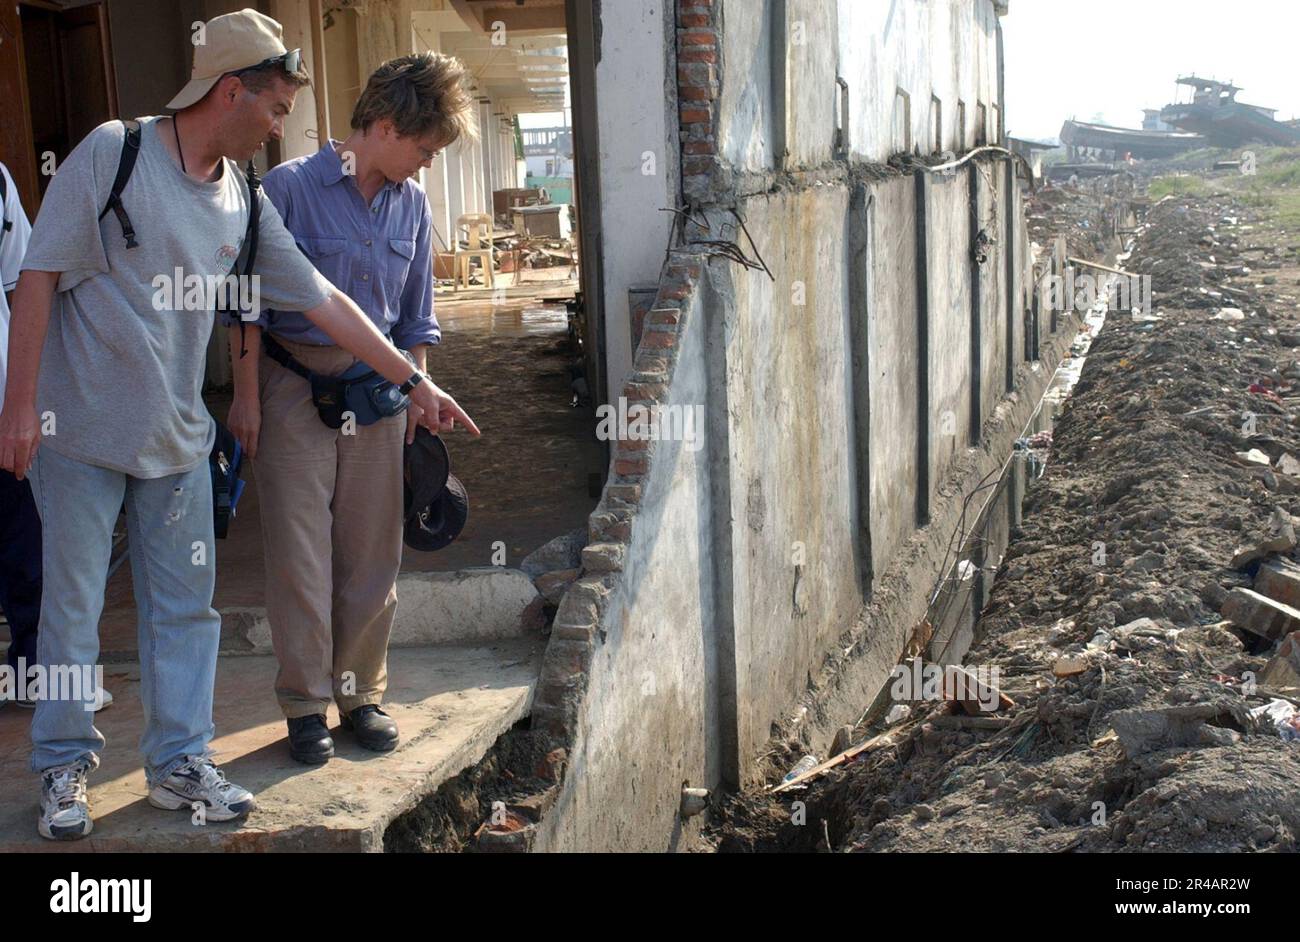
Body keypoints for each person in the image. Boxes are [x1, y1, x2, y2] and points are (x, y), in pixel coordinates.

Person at [0, 8, 478, 841]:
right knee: (71, 609)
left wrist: (415, 381)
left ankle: (180, 761)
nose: (284, 123)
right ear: (231, 91)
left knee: (186, 609)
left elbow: (326, 301)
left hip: (179, 438)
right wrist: (18, 404)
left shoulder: (245, 200)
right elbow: (38, 275)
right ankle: (63, 767)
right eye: (278, 106)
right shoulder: (112, 155)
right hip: (77, 432)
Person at [226, 52, 476, 763]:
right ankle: (305, 705)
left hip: (381, 393)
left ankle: (359, 694)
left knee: (373, 551)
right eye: (424, 150)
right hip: (290, 384)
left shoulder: (415, 207)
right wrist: (245, 398)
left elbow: (416, 321)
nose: (427, 166)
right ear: (388, 126)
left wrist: (416, 397)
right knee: (300, 553)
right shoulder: (287, 189)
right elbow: (245, 303)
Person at [0, 161, 111, 715]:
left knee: (27, 551)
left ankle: (35, 676)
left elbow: (25, 281)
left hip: (2, 404)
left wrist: (27, 396)